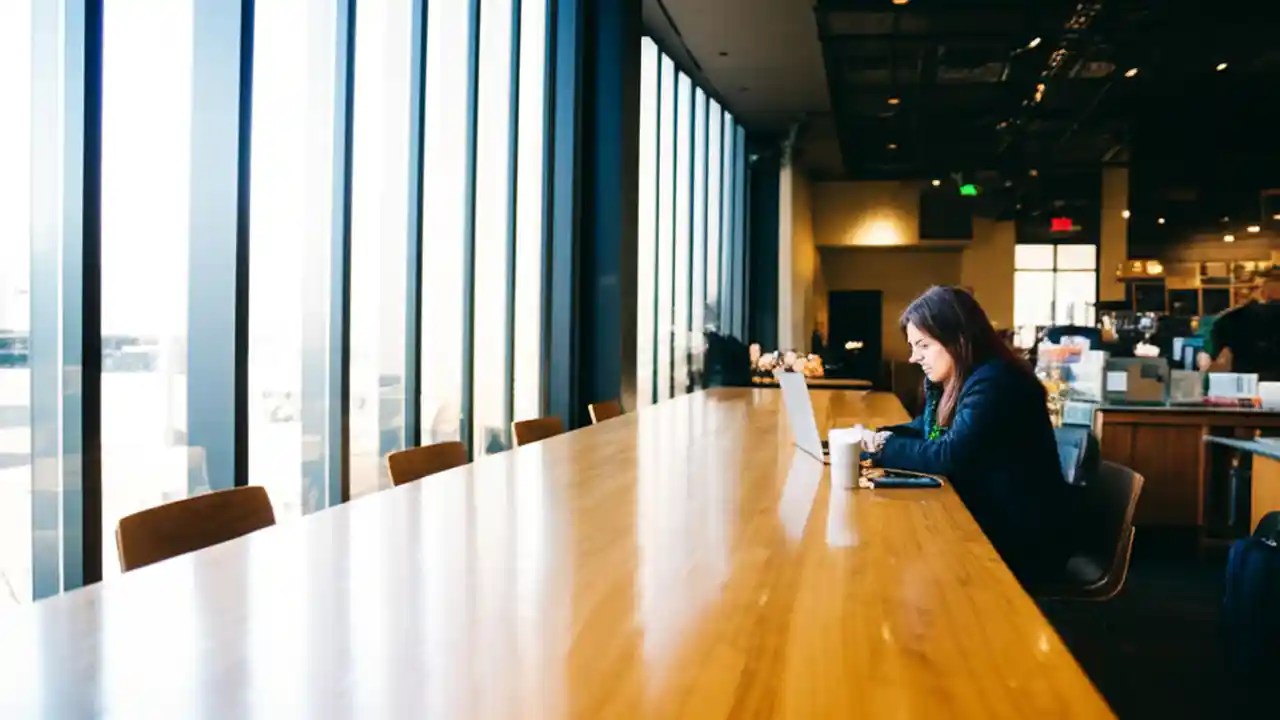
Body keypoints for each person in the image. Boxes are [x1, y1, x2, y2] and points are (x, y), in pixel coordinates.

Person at [859, 286, 1073, 585]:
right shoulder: (960, 379)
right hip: (993, 516)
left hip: (1022, 538)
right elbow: (926, 429)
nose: (912, 358)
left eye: (922, 346)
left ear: (956, 339)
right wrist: (872, 437)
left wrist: (881, 447)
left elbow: (950, 456)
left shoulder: (996, 381)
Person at [1197, 269, 1280, 381]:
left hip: (1246, 389)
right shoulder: (1230, 318)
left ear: (1263, 293)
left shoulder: (1230, 319)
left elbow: (1215, 361)